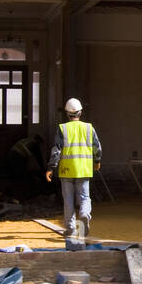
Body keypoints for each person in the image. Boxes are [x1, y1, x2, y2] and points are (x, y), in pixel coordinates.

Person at [46, 98, 102, 238]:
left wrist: (51, 167)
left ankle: (70, 229)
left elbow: (56, 150)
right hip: (83, 169)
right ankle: (83, 214)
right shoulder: (89, 128)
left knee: (68, 200)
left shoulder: (62, 128)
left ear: (67, 114)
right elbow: (97, 147)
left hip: (66, 171)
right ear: (80, 112)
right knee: (84, 198)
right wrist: (97, 160)